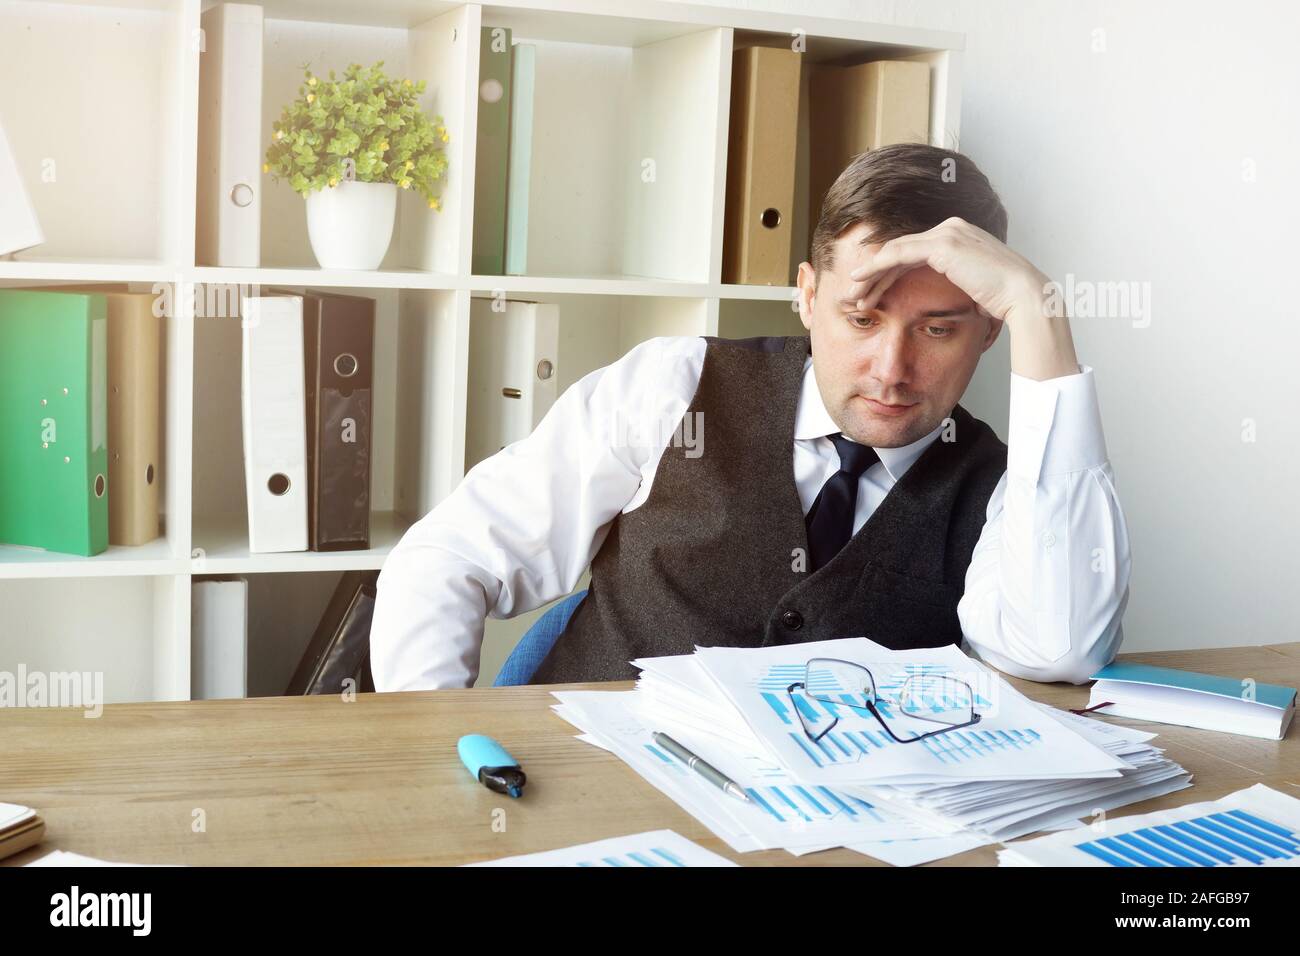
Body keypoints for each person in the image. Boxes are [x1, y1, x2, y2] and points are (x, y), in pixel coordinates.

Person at [370, 143, 1130, 690]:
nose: (892, 370)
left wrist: (1042, 312)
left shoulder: (1009, 486)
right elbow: (448, 558)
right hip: (591, 802)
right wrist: (431, 747)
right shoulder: (673, 386)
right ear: (805, 294)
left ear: (991, 328)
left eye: (939, 329)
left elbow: (1058, 650)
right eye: (861, 318)